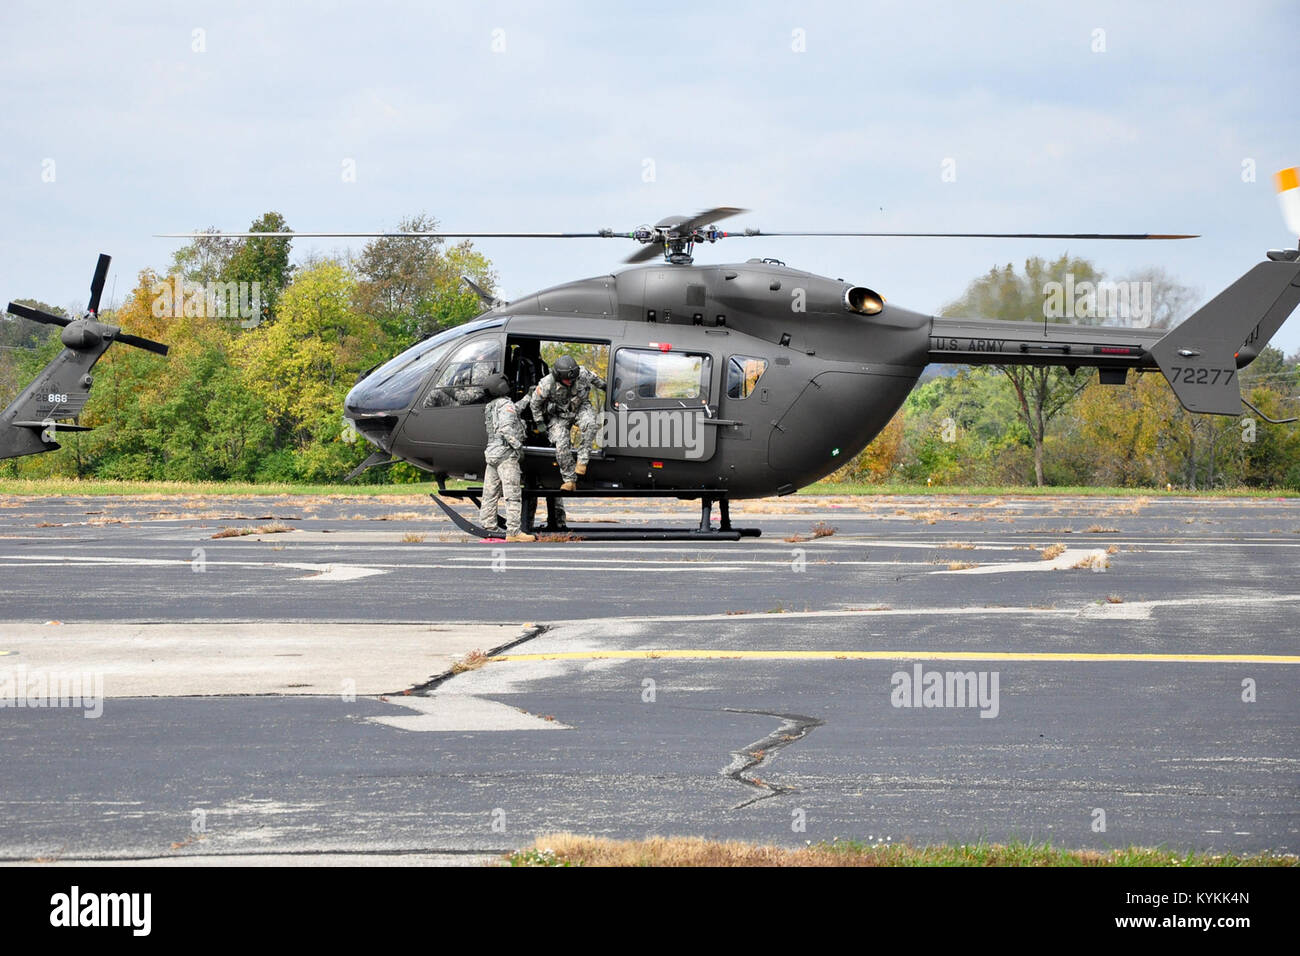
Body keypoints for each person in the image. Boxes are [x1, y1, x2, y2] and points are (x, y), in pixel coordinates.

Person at [529, 355, 606, 491]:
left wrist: (614, 391)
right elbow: (534, 404)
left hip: (580, 407)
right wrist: (539, 421)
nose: (570, 382)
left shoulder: (583, 374)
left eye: (572, 379)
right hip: (559, 415)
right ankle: (569, 480)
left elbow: (601, 383)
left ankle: (582, 461)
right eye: (566, 379)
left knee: (591, 424)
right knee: (561, 444)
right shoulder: (547, 384)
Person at [479, 374, 534, 543]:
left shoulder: (491, 406)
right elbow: (505, 429)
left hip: (492, 453)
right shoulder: (506, 405)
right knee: (512, 494)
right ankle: (514, 531)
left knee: (490, 492)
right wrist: (518, 447)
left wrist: (528, 397)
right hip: (506, 455)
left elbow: (514, 410)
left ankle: (488, 526)